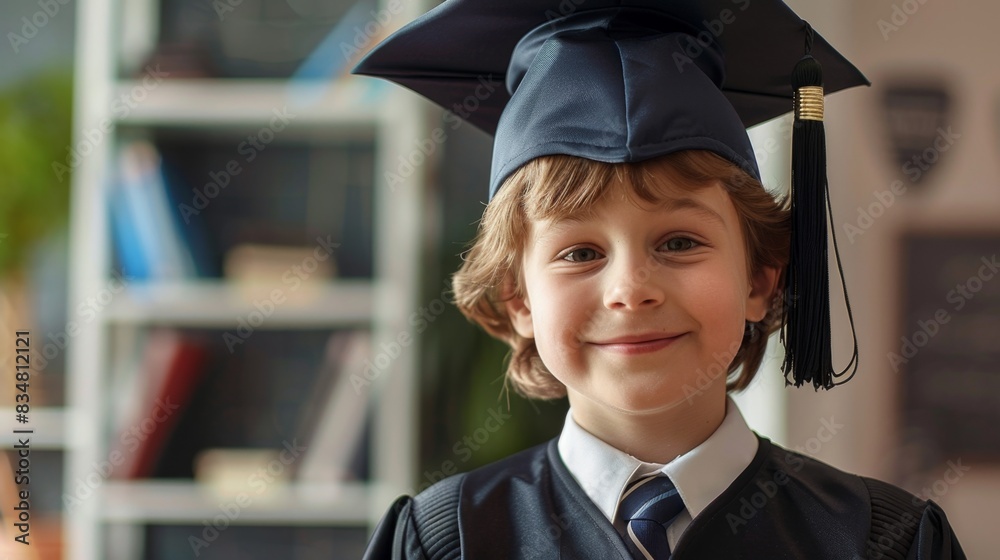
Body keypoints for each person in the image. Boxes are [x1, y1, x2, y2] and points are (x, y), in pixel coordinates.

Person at [353, 0, 967, 558]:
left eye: (679, 242)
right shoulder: (445, 541)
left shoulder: (882, 539)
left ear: (758, 280)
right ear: (518, 300)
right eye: (579, 253)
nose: (631, 288)